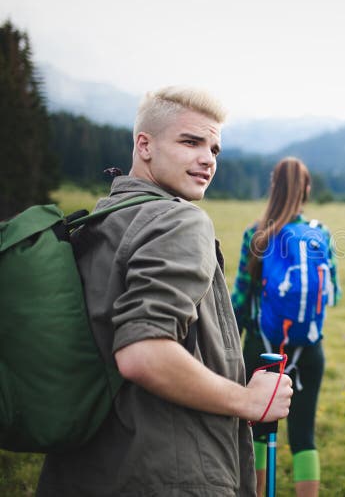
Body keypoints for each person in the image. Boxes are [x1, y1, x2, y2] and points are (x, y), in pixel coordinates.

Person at [36, 86, 292, 497]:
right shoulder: (179, 221)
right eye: (191, 142)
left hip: (81, 470)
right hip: (170, 474)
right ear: (145, 145)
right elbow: (143, 353)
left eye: (215, 149)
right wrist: (247, 401)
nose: (207, 159)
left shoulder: (94, 223)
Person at [231, 157, 340, 497]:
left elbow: (238, 298)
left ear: (273, 187)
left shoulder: (256, 234)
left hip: (261, 350)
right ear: (307, 190)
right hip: (308, 349)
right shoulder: (320, 234)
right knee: (304, 436)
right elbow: (332, 295)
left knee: (259, 433)